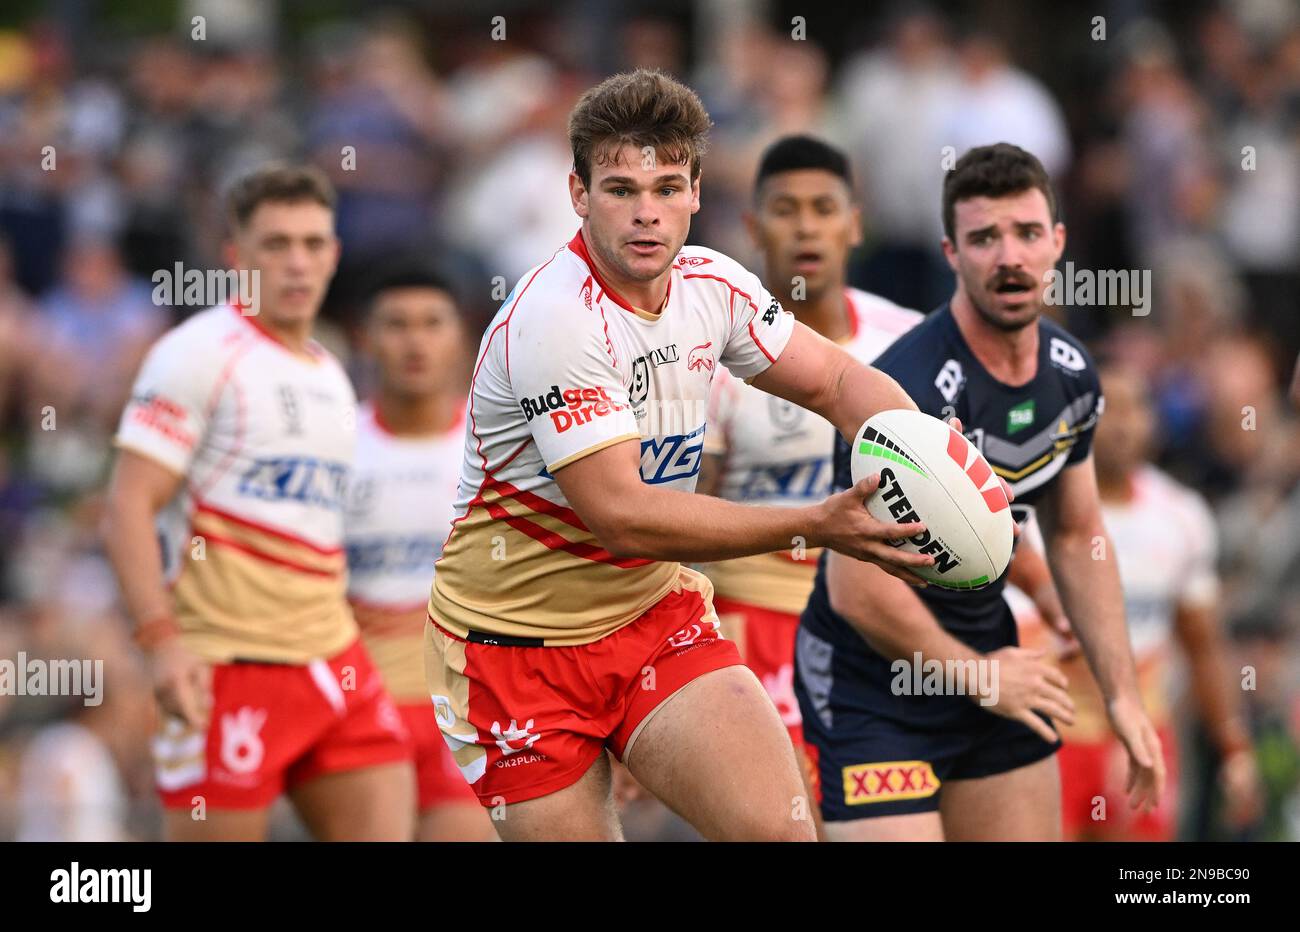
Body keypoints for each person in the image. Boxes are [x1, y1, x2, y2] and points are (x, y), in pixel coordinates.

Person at [424, 68, 940, 842]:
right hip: (513, 653)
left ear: (698, 191)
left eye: (667, 187)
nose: (646, 214)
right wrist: (816, 523)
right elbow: (624, 519)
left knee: (786, 834)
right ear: (577, 193)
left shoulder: (714, 284)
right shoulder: (554, 319)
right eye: (621, 188)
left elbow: (836, 378)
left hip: (650, 617)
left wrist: (930, 449)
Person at [794, 143, 1164, 841]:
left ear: (1057, 242)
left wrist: (1124, 698)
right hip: (873, 685)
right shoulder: (898, 399)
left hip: (991, 663)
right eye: (984, 238)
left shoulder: (1072, 373)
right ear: (951, 253)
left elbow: (1075, 533)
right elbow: (859, 592)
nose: (1009, 257)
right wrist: (981, 678)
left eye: (1027, 233)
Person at [102, 164, 413, 841]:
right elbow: (126, 506)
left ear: (334, 253)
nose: (297, 262)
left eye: (312, 243)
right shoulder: (197, 354)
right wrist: (159, 643)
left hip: (333, 664)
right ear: (236, 255)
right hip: (227, 671)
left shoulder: (331, 369)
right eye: (276, 245)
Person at [698, 135, 921, 783]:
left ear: (855, 224)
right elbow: (685, 524)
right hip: (753, 628)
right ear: (752, 226)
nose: (805, 227)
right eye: (785, 209)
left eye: (824, 208)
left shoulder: (907, 339)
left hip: (883, 628)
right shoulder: (710, 356)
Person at [1028, 363, 1261, 840]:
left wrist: (1234, 749)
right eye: (1107, 408)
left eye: (1137, 406)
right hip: (1048, 740)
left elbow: (1202, 644)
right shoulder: (1030, 510)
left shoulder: (1181, 515)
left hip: (1142, 740)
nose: (1123, 423)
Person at [345, 266, 495, 841]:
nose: (415, 342)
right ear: (366, 337)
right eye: (396, 325)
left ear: (460, 336)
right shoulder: (335, 449)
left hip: (466, 711)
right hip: (360, 713)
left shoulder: (495, 452)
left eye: (432, 324)